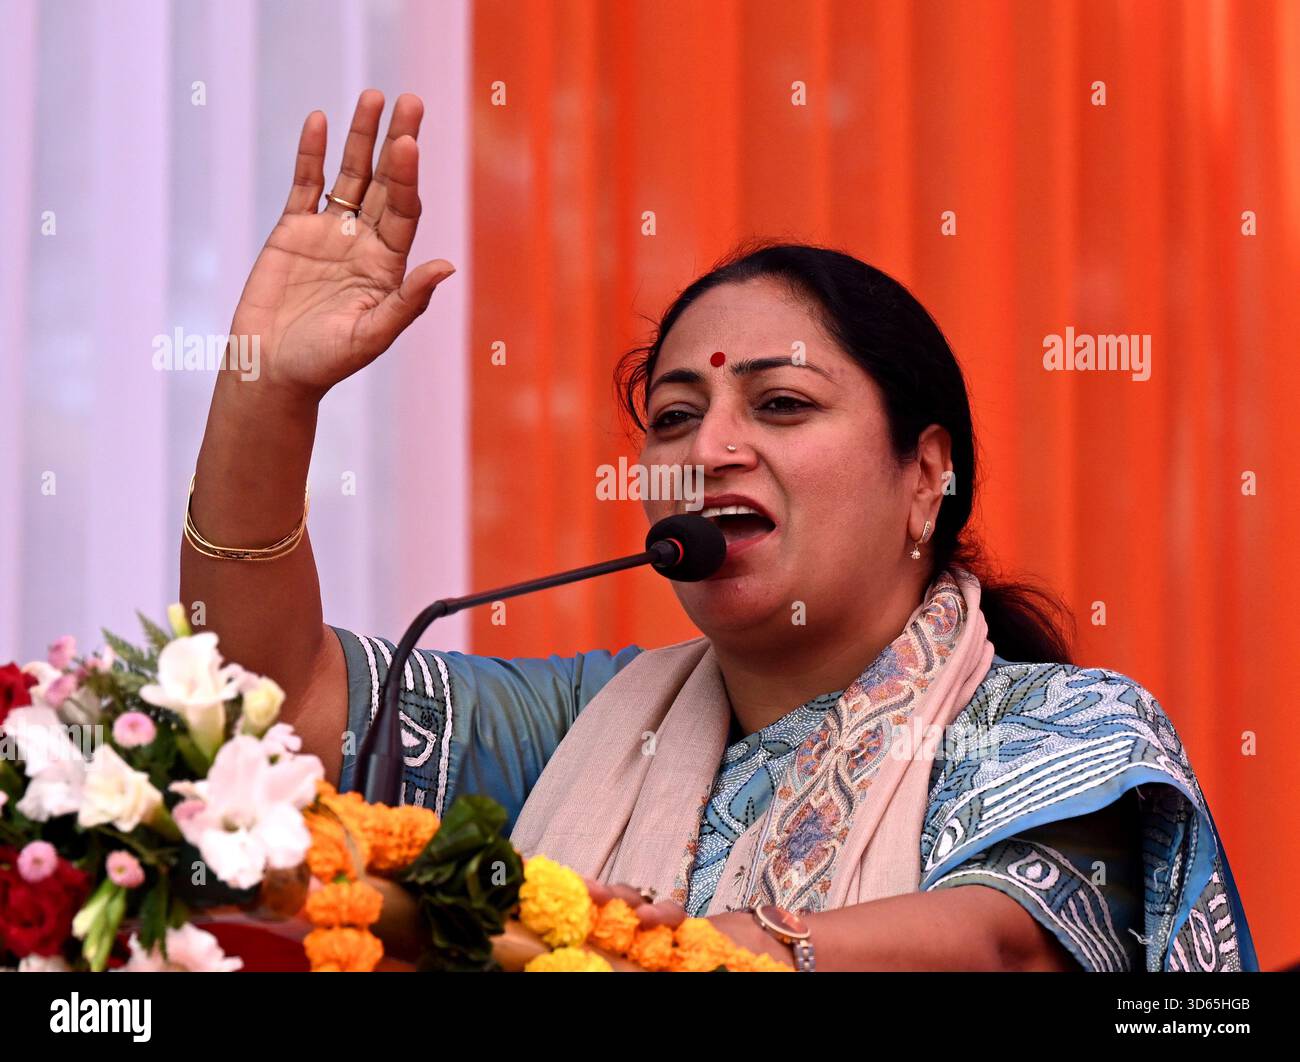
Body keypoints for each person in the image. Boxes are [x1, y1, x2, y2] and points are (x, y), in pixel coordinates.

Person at [181, 90, 1257, 973]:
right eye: (677, 418)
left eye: (781, 404)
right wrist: (265, 397)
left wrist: (708, 950)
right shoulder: (583, 722)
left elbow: (999, 948)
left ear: (926, 475)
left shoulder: (1063, 725)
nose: (715, 448)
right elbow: (275, 713)